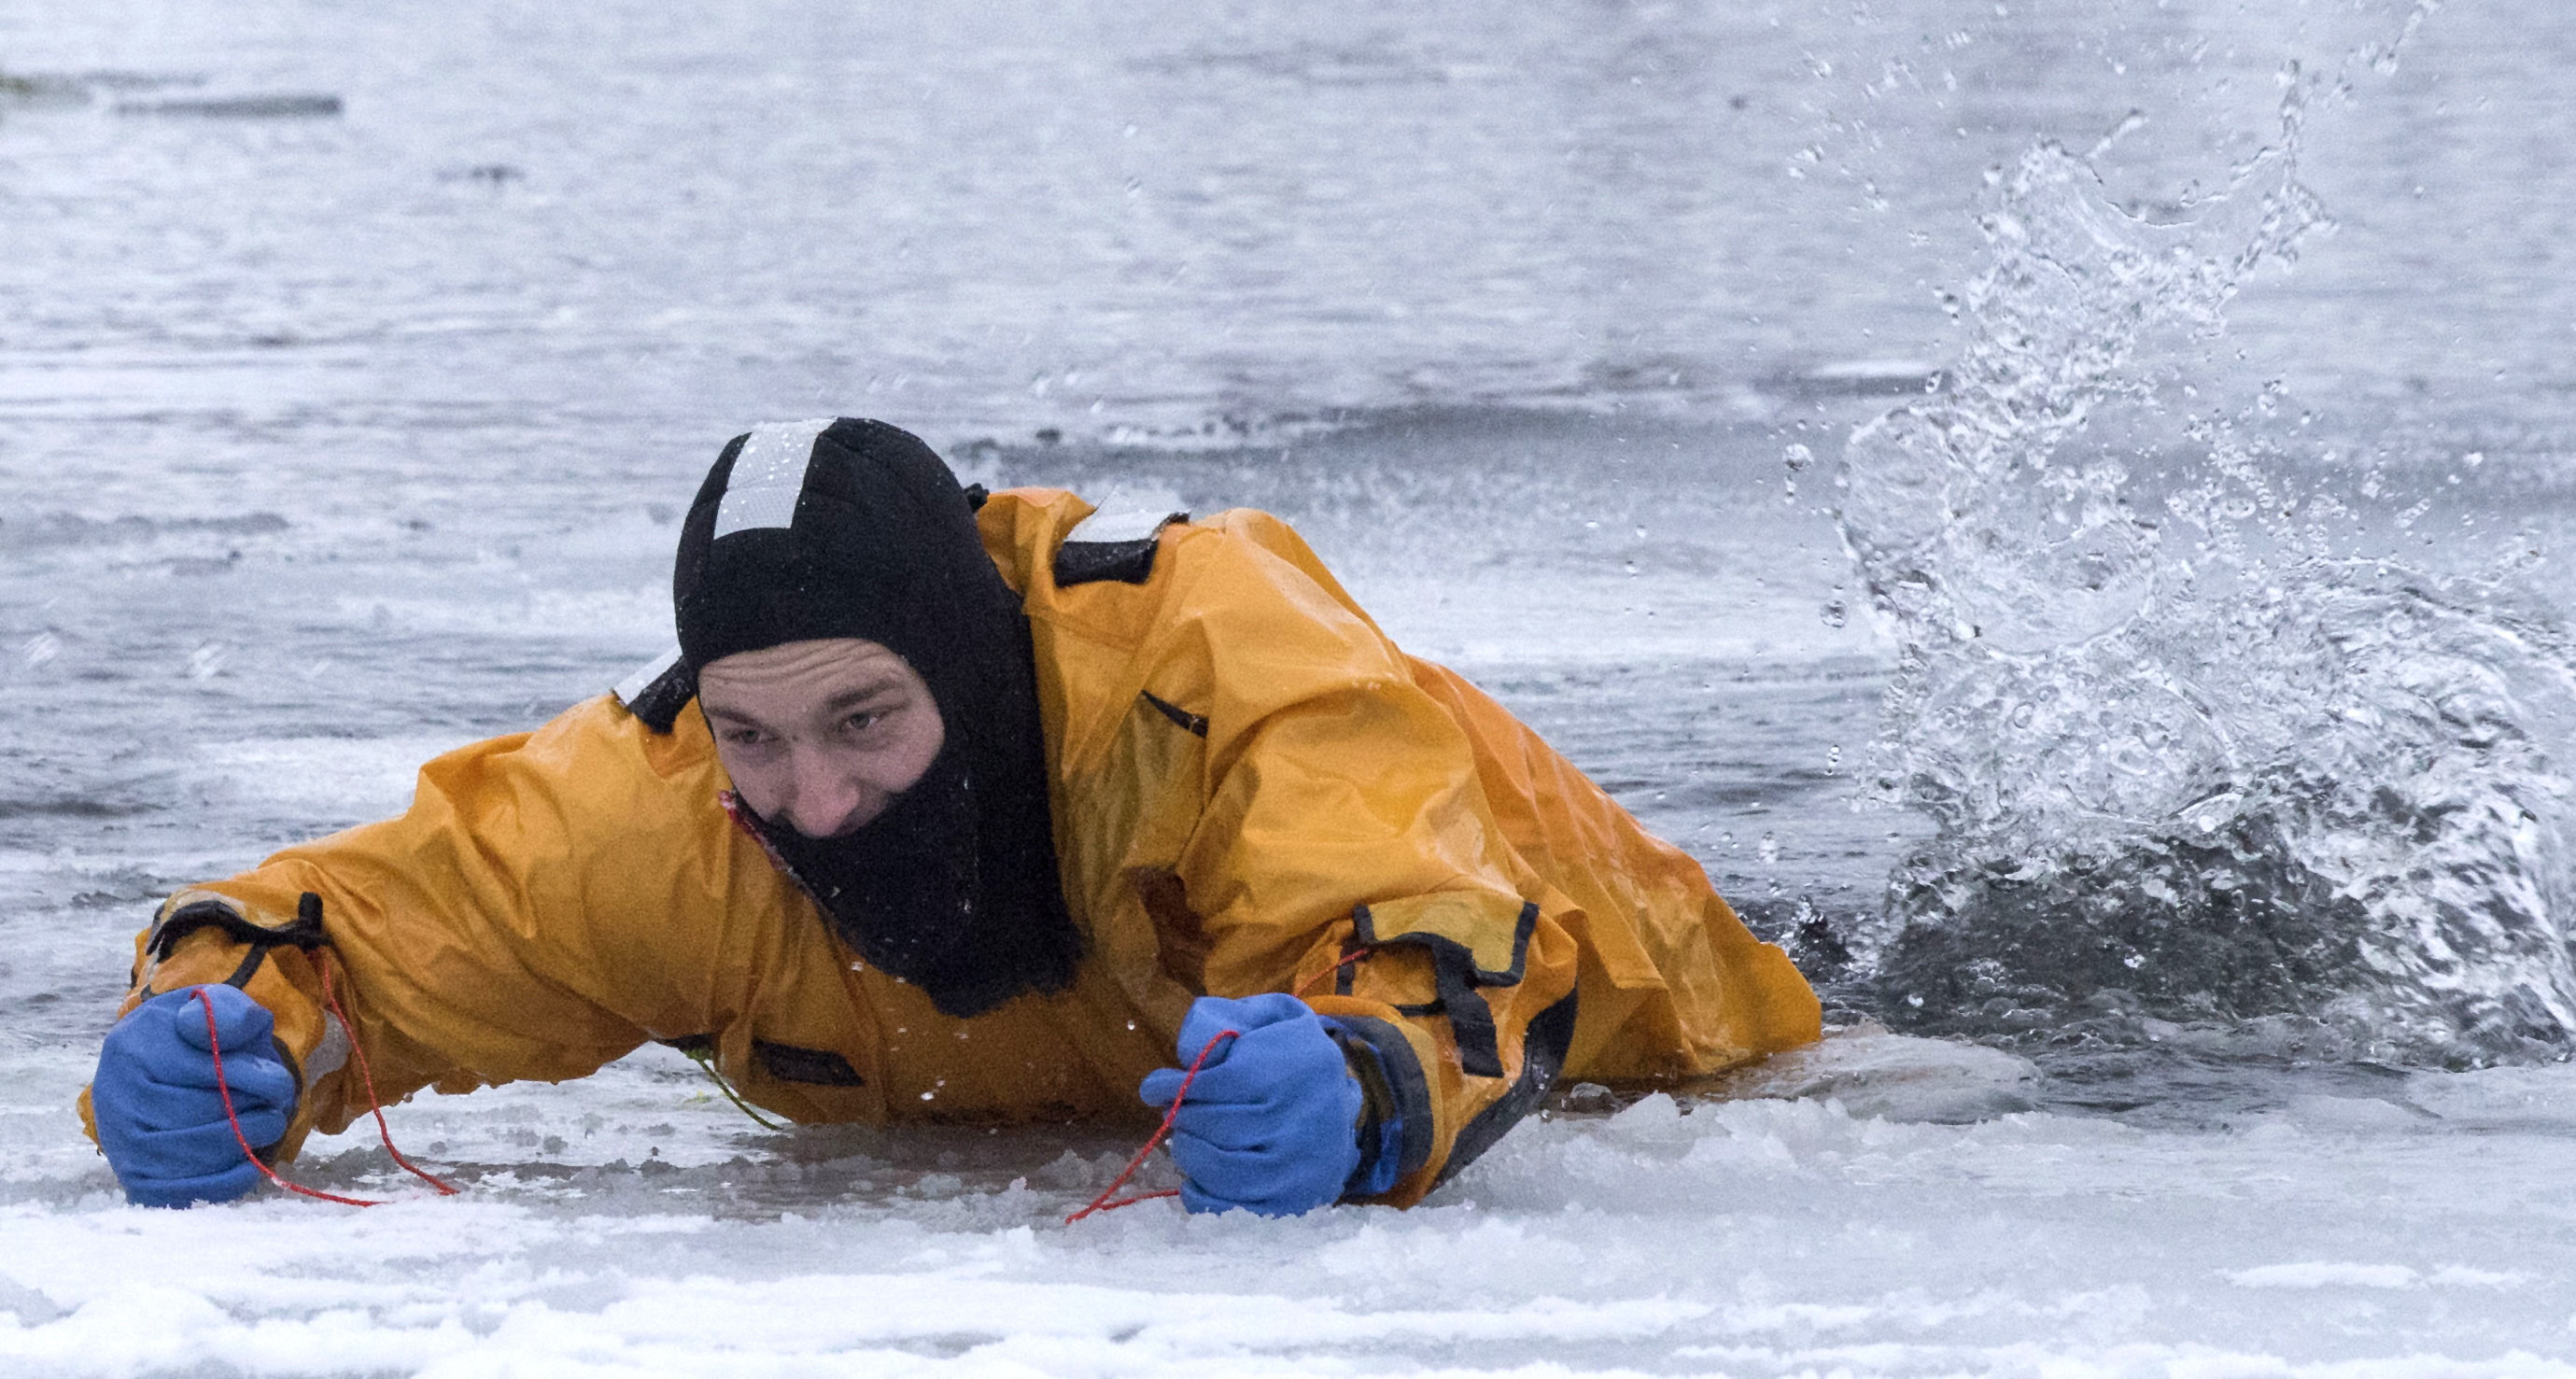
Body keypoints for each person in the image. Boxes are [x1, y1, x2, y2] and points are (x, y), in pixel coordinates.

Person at [82, 418, 1820, 1210]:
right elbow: (349, 931)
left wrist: (1373, 1083)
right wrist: (229, 1038)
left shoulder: (1217, 673)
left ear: (975, 680)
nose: (815, 801)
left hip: (1681, 1038)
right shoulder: (668, 820)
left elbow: (1420, 924)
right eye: (755, 735)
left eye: (865, 720)